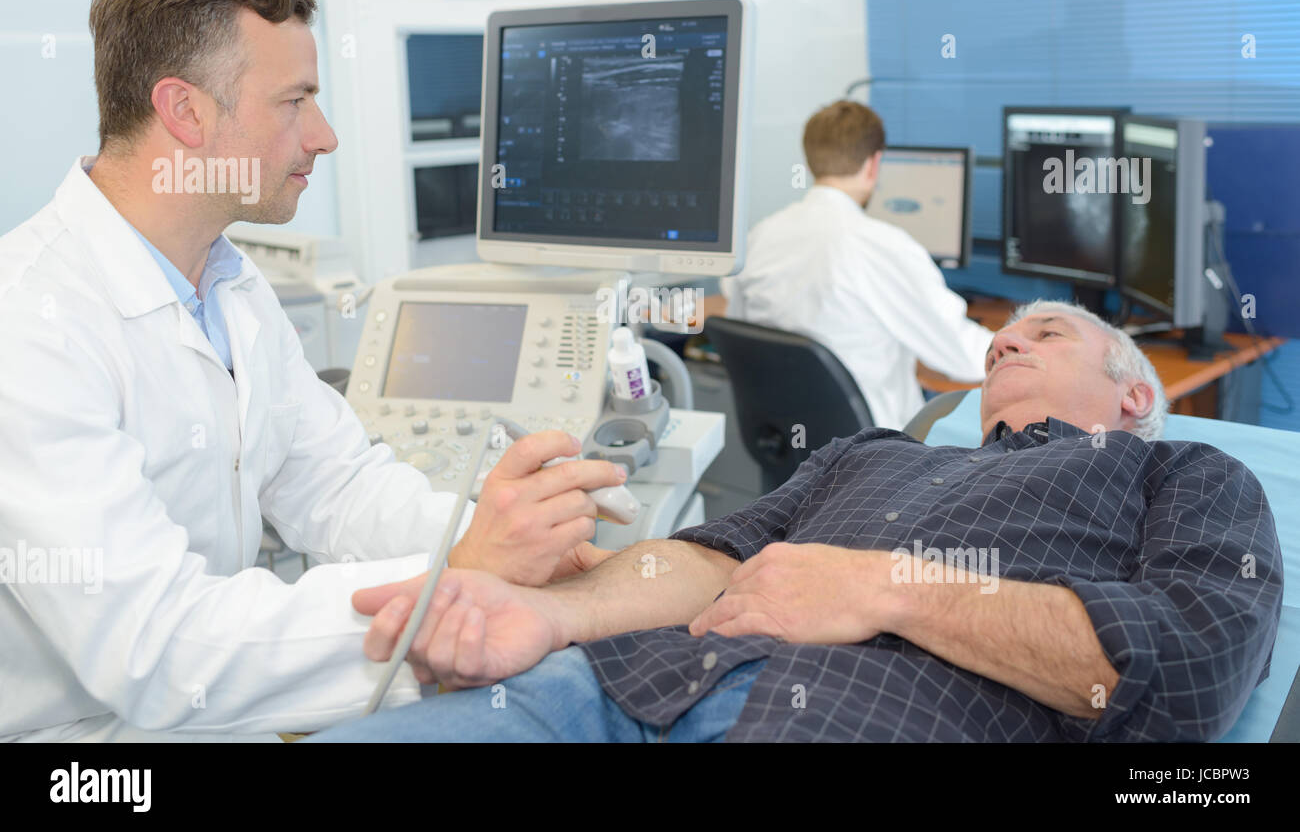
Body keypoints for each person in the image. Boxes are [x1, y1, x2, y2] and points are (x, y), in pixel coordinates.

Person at [0, 0, 626, 742]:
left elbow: (338, 488)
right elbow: (157, 652)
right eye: (295, 101)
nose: (323, 136)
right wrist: (460, 575)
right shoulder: (29, 326)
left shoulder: (230, 284)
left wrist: (499, 538)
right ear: (185, 111)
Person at [312, 300, 1282, 742]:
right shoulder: (875, 452)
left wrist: (884, 589)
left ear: (1132, 391)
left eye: (1047, 332)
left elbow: (1185, 675)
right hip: (602, 690)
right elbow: (710, 558)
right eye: (1000, 338)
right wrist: (556, 614)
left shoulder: (1183, 476)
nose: (1004, 342)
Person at [721, 100, 993, 431]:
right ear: (873, 164)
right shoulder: (885, 247)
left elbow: (736, 314)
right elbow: (965, 358)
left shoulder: (759, 238)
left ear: (810, 163)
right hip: (876, 459)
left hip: (788, 449)